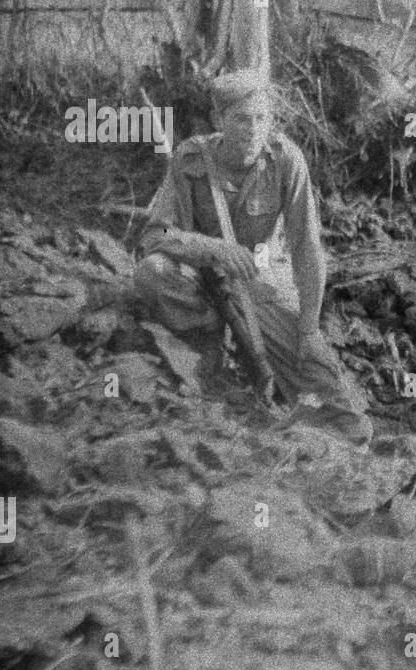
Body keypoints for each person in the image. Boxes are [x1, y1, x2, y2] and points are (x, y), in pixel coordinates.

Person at [133, 69, 366, 417]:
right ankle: (207, 339)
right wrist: (211, 249)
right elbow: (156, 234)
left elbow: (307, 249)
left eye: (261, 118)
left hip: (259, 282)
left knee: (329, 392)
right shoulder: (191, 158)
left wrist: (309, 329)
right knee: (152, 273)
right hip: (202, 279)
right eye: (242, 119)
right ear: (218, 119)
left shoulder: (286, 160)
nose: (254, 129)